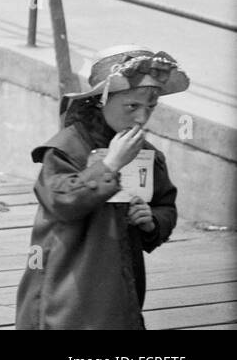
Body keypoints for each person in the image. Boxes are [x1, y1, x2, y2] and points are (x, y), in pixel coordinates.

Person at [15, 47, 186, 330]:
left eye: (150, 107)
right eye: (132, 106)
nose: (142, 118)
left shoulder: (145, 154)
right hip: (65, 289)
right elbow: (60, 201)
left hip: (119, 290)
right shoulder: (66, 148)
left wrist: (151, 222)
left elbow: (165, 205)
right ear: (100, 100)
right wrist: (110, 164)